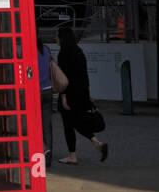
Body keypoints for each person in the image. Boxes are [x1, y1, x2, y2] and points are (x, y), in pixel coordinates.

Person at [55, 25, 108, 164]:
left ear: (62, 39)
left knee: (69, 125)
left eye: (58, 36)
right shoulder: (79, 52)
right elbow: (85, 75)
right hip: (82, 93)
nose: (56, 39)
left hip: (70, 94)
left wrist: (64, 97)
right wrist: (88, 93)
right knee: (76, 121)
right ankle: (97, 143)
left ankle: (73, 156)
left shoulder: (63, 54)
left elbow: (63, 78)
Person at [35, 25, 54, 165]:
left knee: (35, 124)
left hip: (36, 92)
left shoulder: (29, 50)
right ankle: (49, 155)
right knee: (46, 124)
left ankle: (39, 152)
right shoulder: (46, 50)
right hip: (48, 90)